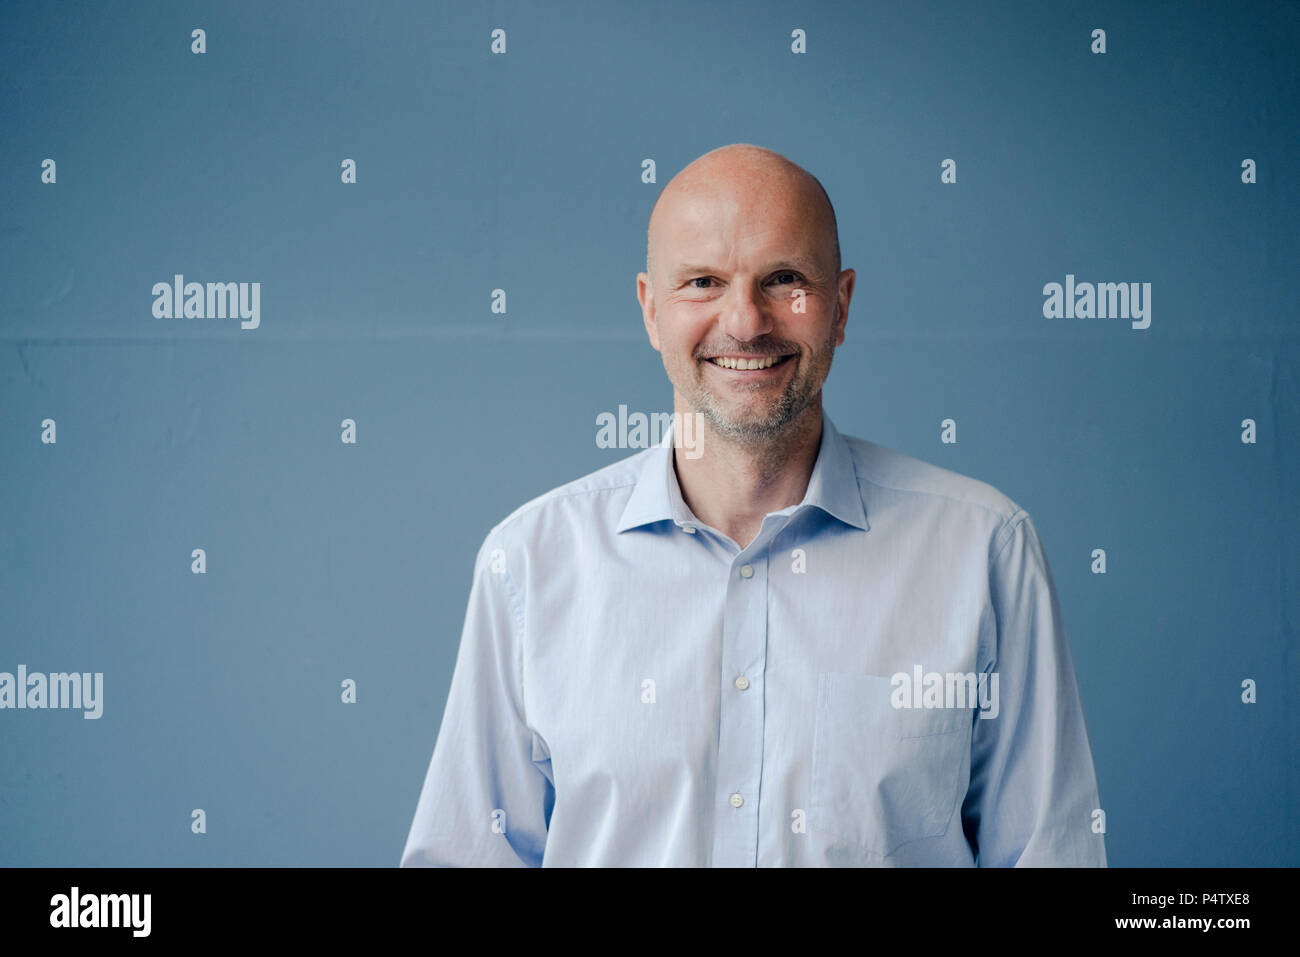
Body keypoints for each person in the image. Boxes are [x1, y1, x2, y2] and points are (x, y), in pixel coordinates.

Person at [399, 143, 1107, 867]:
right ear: (650, 310)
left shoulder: (984, 549)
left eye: (785, 280)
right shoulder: (530, 562)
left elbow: (1051, 853)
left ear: (840, 305)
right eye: (703, 281)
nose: (745, 321)